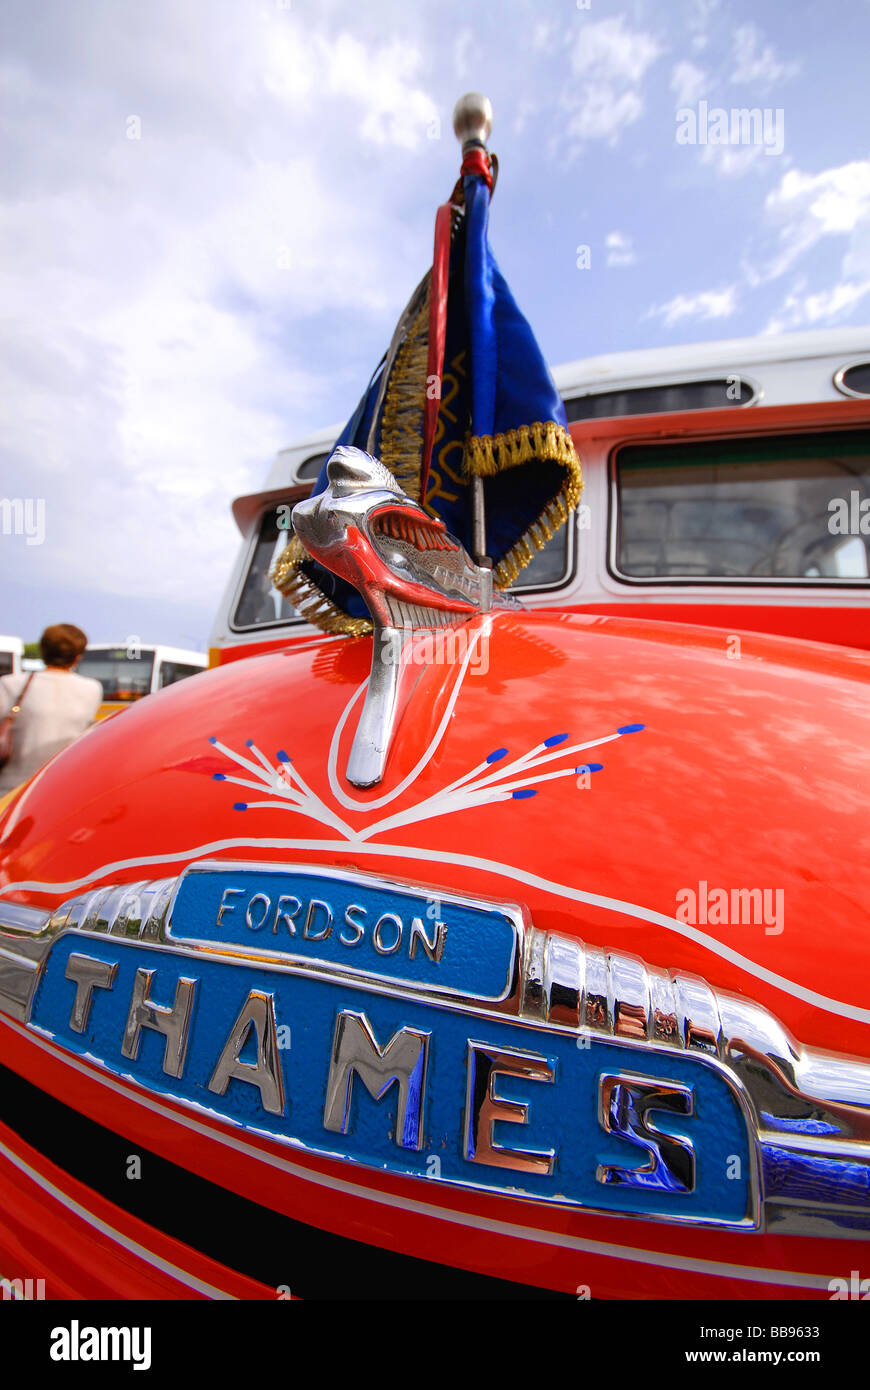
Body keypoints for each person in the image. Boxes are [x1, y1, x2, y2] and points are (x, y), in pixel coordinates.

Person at [0, 624, 103, 792]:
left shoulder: (10, 684)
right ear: (78, 656)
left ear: (43, 650)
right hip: (59, 789)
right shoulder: (92, 689)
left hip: (9, 791)